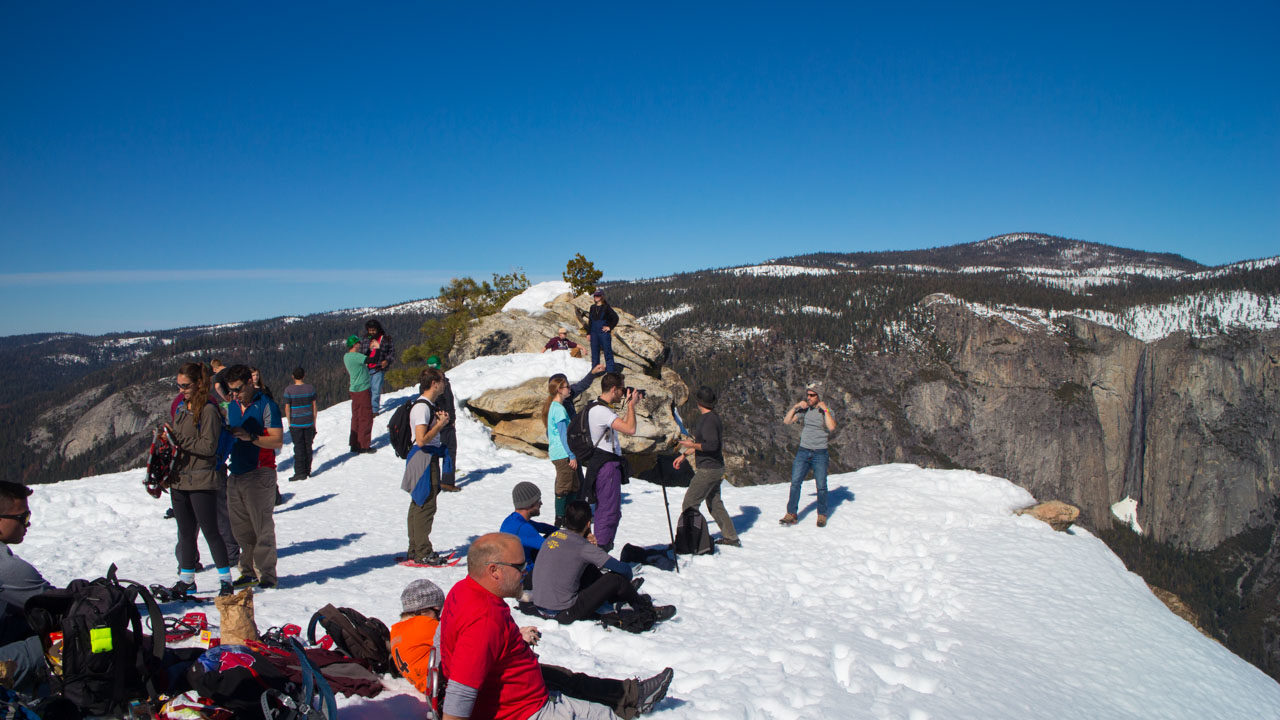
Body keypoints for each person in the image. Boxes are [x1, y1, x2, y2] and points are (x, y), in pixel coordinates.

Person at [439, 533, 673, 720]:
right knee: (602, 716)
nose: (525, 572)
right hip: (524, 710)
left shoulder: (464, 591)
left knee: (567, 679)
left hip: (516, 687)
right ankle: (629, 699)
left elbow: (453, 643)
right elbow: (461, 692)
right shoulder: (484, 620)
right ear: (494, 571)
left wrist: (510, 638)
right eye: (519, 567)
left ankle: (633, 695)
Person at [395, 577, 672, 720]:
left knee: (558, 678)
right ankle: (632, 696)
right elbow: (472, 638)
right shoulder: (425, 627)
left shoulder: (399, 633)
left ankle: (627, 697)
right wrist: (515, 636)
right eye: (440, 610)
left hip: (460, 687)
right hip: (475, 691)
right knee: (563, 680)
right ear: (430, 609)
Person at [531, 501, 674, 627]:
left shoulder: (553, 536)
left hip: (539, 606)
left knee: (588, 567)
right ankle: (645, 609)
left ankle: (618, 596)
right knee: (615, 580)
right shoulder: (584, 548)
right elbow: (625, 571)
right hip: (563, 612)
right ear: (588, 524)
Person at [165, 363, 234, 597]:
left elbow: (208, 447)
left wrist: (179, 441)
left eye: (185, 386)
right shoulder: (182, 408)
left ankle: (225, 580)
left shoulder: (208, 410)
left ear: (197, 384)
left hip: (202, 478)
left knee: (210, 531)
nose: (181, 390)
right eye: (179, 386)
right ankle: (187, 580)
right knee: (185, 532)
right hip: (180, 479)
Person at [223, 364, 284, 589]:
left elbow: (277, 440)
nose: (235, 395)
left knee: (262, 527)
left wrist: (251, 437)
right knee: (241, 529)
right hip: (236, 472)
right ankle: (248, 571)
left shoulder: (266, 405)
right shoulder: (232, 406)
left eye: (238, 389)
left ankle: (267, 575)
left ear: (250, 382)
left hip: (260, 472)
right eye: (231, 390)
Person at [0, 481, 53, 697]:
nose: (27, 524)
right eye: (23, 517)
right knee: (65, 639)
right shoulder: (4, 566)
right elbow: (55, 603)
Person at [673, 385, 740, 547]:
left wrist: (691, 445)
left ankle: (690, 540)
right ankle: (731, 537)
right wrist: (684, 455)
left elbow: (711, 446)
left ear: (698, 402)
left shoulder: (709, 420)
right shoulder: (711, 417)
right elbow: (702, 443)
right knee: (715, 504)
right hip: (715, 467)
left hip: (709, 470)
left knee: (689, 504)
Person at [400, 368, 451, 566]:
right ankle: (422, 551)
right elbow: (421, 440)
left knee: (418, 502)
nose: (444, 384)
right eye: (442, 380)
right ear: (434, 384)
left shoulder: (426, 405)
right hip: (424, 457)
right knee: (426, 503)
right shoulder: (422, 408)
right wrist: (440, 425)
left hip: (420, 457)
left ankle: (415, 549)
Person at [586, 373, 639, 551]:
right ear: (614, 389)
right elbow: (630, 429)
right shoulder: (601, 411)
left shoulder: (599, 407)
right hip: (607, 466)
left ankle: (602, 548)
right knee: (608, 510)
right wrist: (631, 406)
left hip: (604, 463)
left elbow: (622, 425)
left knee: (607, 508)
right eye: (622, 390)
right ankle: (601, 550)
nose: (623, 393)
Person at [780, 383, 838, 527]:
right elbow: (787, 421)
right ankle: (791, 514)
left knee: (821, 486)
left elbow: (832, 427)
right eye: (808, 395)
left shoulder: (827, 411)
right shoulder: (805, 410)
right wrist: (796, 407)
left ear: (819, 396)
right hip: (803, 451)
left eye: (812, 395)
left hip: (820, 453)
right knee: (795, 483)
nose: (809, 397)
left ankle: (822, 515)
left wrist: (825, 410)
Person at [499, 482, 555, 588]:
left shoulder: (513, 520)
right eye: (538, 500)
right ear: (529, 504)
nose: (541, 503)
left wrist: (566, 533)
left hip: (513, 573)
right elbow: (551, 547)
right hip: (521, 579)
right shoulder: (523, 528)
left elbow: (543, 527)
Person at [543, 377, 580, 526]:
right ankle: (560, 519)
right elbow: (563, 435)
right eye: (567, 387)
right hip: (563, 454)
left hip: (561, 453)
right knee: (564, 487)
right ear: (559, 389)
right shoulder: (558, 409)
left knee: (573, 485)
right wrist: (571, 455)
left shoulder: (555, 406)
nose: (569, 389)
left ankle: (569, 517)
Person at [426, 355, 460, 492]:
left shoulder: (425, 383)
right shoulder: (442, 382)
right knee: (449, 450)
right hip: (445, 420)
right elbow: (448, 402)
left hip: (431, 421)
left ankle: (431, 479)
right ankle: (447, 481)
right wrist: (451, 420)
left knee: (432, 450)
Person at [281, 367, 318, 481]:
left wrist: (289, 422)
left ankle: (299, 473)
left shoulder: (289, 390)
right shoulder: (310, 388)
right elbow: (314, 406)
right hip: (308, 422)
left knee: (298, 448)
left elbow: (287, 408)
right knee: (308, 447)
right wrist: (314, 422)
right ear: (304, 375)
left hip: (296, 423)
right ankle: (307, 470)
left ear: (293, 376)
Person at [344, 335, 374, 455]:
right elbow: (371, 360)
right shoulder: (356, 356)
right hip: (362, 389)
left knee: (356, 416)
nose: (360, 345)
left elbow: (364, 358)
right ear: (355, 344)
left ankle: (354, 443)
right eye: (358, 343)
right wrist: (376, 349)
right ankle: (364, 445)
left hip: (354, 389)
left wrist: (370, 350)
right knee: (366, 416)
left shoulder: (347, 356)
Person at [359, 319, 394, 415]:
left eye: (373, 330)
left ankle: (374, 410)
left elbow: (391, 352)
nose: (371, 332)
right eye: (370, 330)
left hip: (378, 368)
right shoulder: (365, 339)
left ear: (378, 329)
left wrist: (387, 361)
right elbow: (361, 353)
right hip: (366, 368)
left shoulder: (386, 339)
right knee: (367, 390)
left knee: (376, 389)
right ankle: (367, 408)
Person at [587, 290, 620, 373]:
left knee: (607, 352)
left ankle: (610, 372)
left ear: (602, 297)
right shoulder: (592, 307)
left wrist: (609, 327)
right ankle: (595, 371)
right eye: (595, 296)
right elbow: (590, 321)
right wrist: (588, 333)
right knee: (594, 353)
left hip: (603, 333)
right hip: (594, 333)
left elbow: (615, 318)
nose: (596, 297)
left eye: (598, 296)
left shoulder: (606, 307)